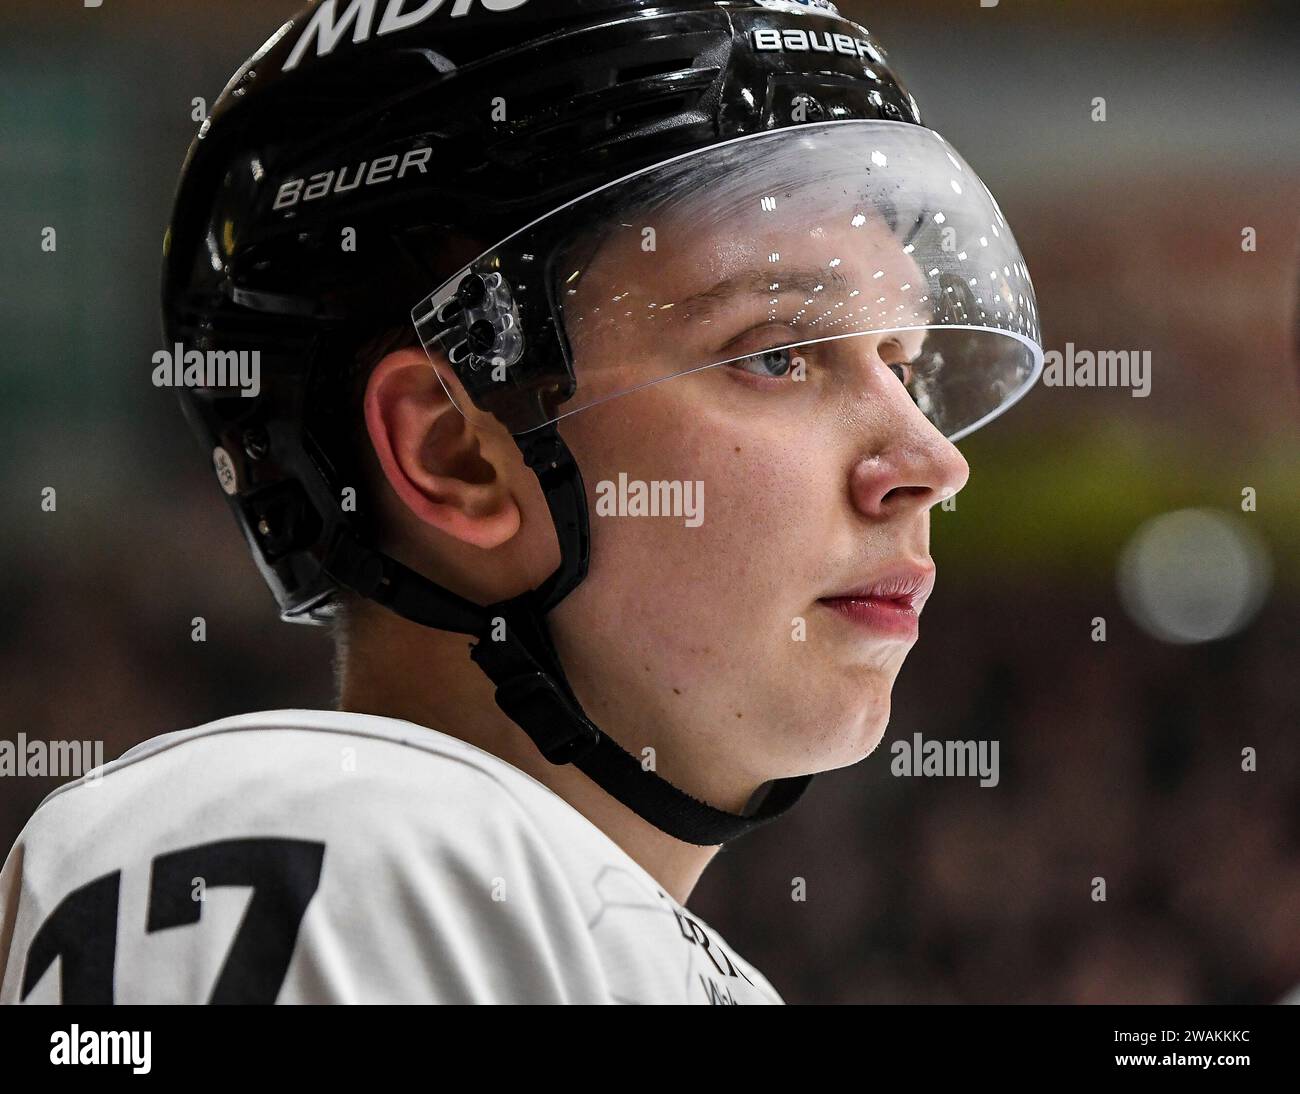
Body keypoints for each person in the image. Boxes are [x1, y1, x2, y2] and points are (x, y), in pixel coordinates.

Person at [0, 0, 1043, 1004]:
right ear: (455, 453)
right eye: (777, 354)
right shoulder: (307, 837)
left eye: (901, 366)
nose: (927, 459)